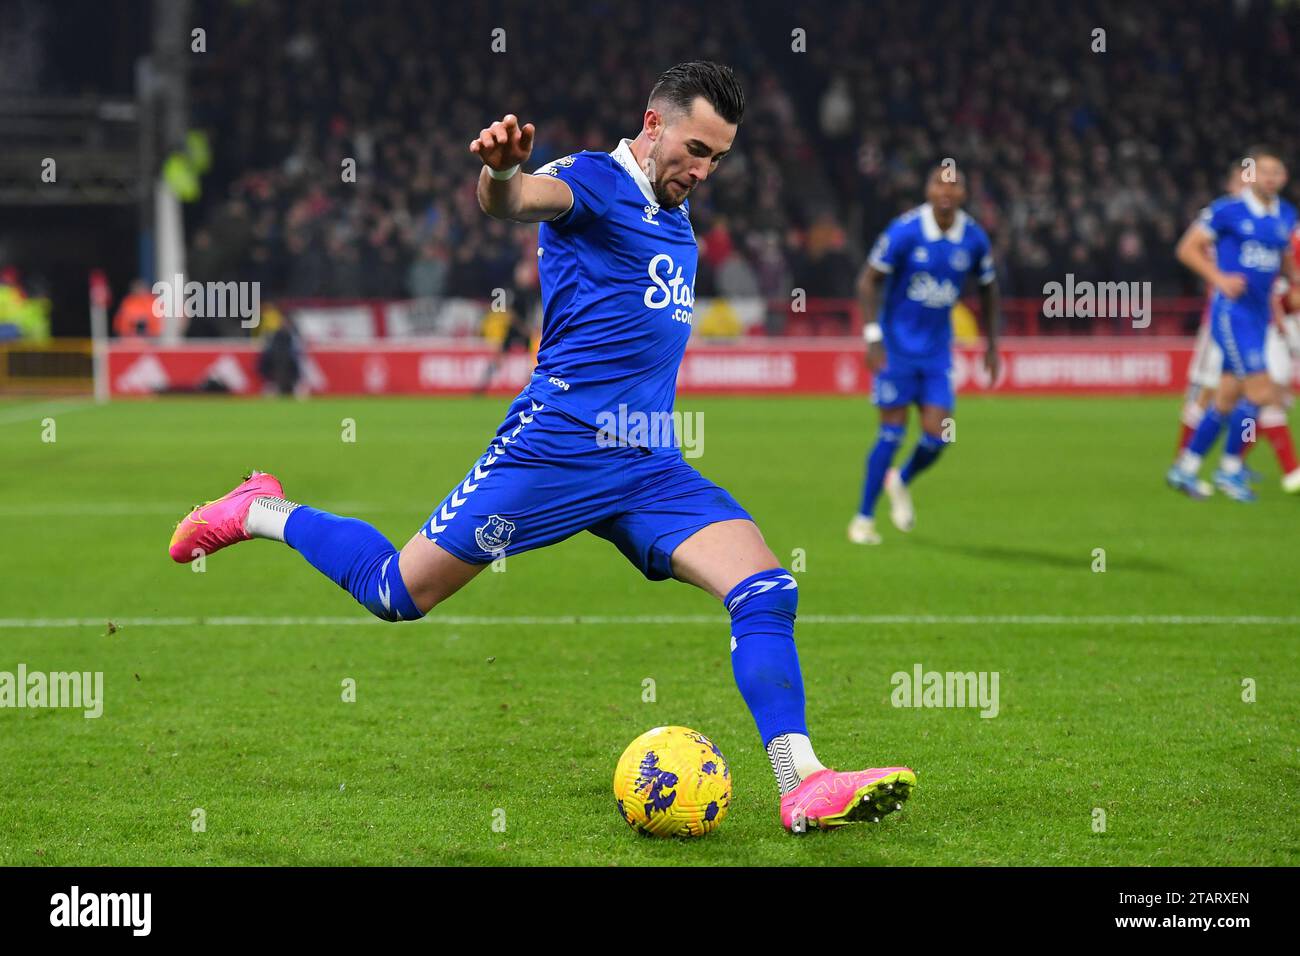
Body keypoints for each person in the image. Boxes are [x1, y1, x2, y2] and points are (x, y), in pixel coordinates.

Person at [167, 62, 914, 832]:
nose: (704, 168)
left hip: (649, 463)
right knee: (397, 593)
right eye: (696, 148)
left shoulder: (675, 213)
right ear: (653, 125)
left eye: (718, 157)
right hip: (554, 452)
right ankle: (260, 509)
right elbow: (520, 200)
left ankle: (803, 782)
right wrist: (501, 173)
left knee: (766, 590)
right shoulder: (592, 180)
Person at [848, 166, 1001, 545]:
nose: (946, 190)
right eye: (939, 183)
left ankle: (900, 479)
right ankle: (863, 520)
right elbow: (867, 281)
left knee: (940, 436)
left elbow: (989, 288)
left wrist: (992, 343)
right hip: (896, 352)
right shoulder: (905, 230)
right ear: (928, 190)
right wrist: (872, 337)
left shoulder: (974, 239)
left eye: (954, 184)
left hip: (936, 356)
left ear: (964, 193)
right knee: (891, 434)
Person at [1168, 145, 1300, 500]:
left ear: (1284, 178)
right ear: (1250, 175)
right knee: (1260, 392)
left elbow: (1284, 255)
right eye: (1265, 171)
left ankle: (1186, 468)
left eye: (1278, 172)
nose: (1271, 178)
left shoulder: (1286, 215)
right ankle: (1229, 470)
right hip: (1232, 313)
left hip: (1259, 316)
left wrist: (1295, 279)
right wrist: (1219, 278)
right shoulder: (1228, 211)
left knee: (1226, 398)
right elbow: (1186, 248)